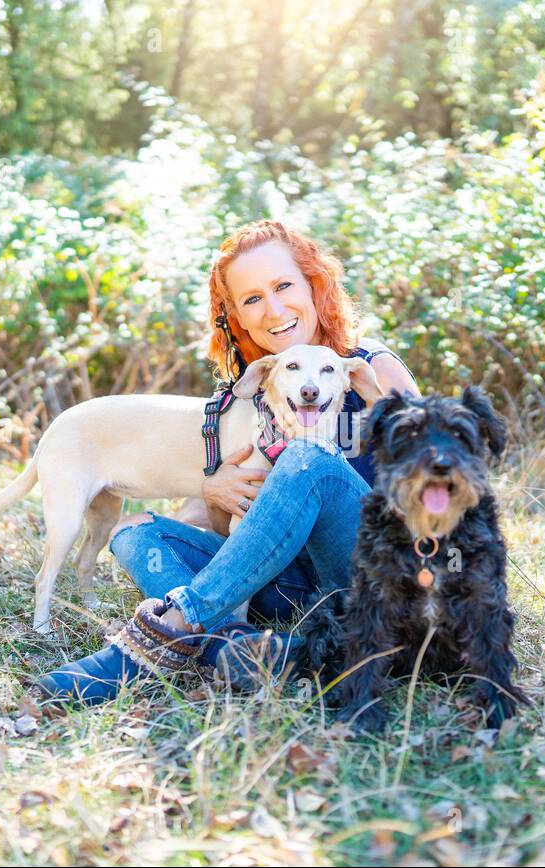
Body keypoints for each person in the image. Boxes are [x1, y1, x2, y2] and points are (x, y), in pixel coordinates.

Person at [36, 220, 419, 705]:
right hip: (280, 588)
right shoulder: (251, 394)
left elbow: (435, 483)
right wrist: (213, 491)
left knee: (307, 456)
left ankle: (164, 636)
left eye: (283, 286)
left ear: (314, 286)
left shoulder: (372, 368)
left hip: (359, 571)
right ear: (236, 315)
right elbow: (225, 532)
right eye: (252, 298)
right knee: (136, 533)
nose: (273, 309)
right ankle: (253, 651)